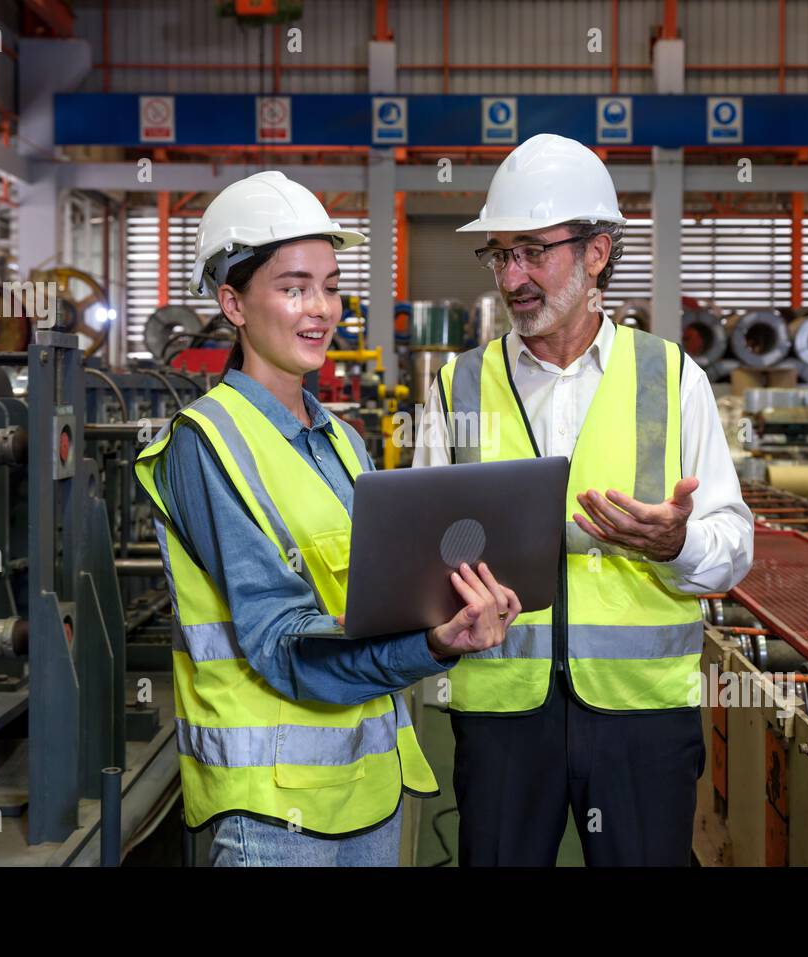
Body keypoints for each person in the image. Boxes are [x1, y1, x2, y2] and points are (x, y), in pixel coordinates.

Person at [135, 171, 521, 867]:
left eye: (330, 285)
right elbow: (282, 641)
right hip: (272, 815)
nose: (320, 309)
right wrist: (432, 645)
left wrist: (451, 608)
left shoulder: (342, 441)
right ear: (233, 302)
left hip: (366, 793)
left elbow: (373, 600)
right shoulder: (204, 446)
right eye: (292, 287)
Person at [412, 134, 754, 866]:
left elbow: (733, 546)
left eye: (534, 251)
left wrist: (678, 545)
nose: (513, 277)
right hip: (502, 712)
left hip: (641, 716)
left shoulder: (672, 377)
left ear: (597, 252)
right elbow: (418, 552)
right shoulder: (457, 388)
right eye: (500, 255)